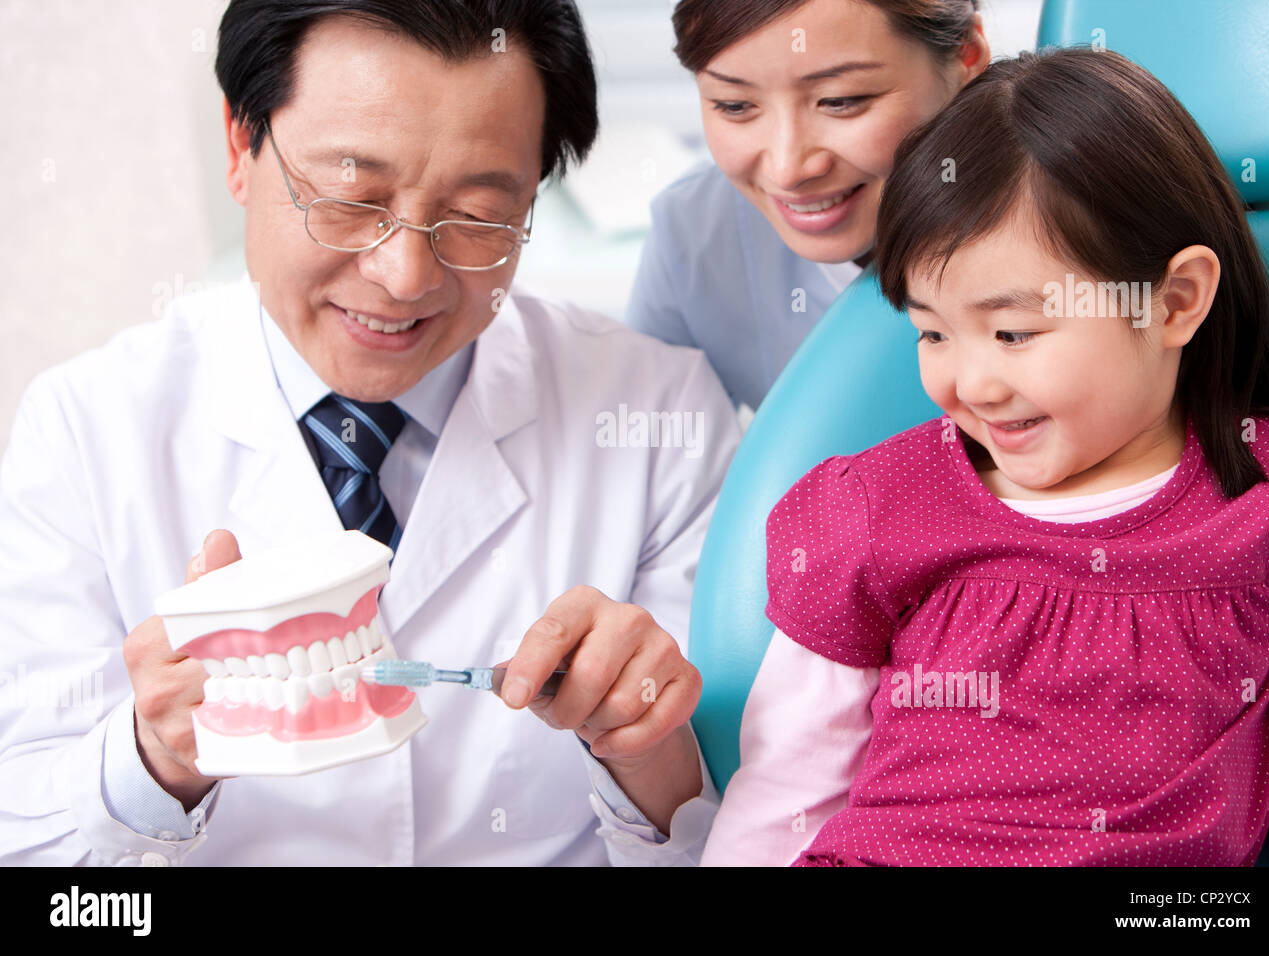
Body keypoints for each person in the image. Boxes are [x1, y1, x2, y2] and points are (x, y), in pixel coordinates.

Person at [0, 0, 739, 866]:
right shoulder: (88, 432)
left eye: (477, 214)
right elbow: (40, 864)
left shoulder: (658, 417)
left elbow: (739, 840)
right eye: (351, 200)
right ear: (242, 148)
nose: (404, 276)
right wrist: (154, 759)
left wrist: (644, 744)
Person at [700, 47, 1269, 865]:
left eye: (1014, 333)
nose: (970, 383)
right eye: (933, 333)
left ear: (1175, 300)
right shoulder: (875, 509)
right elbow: (782, 800)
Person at [625, 0, 990, 410]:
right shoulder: (693, 234)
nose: (787, 171)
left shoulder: (1058, 217)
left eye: (840, 100)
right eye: (734, 105)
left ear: (966, 56)